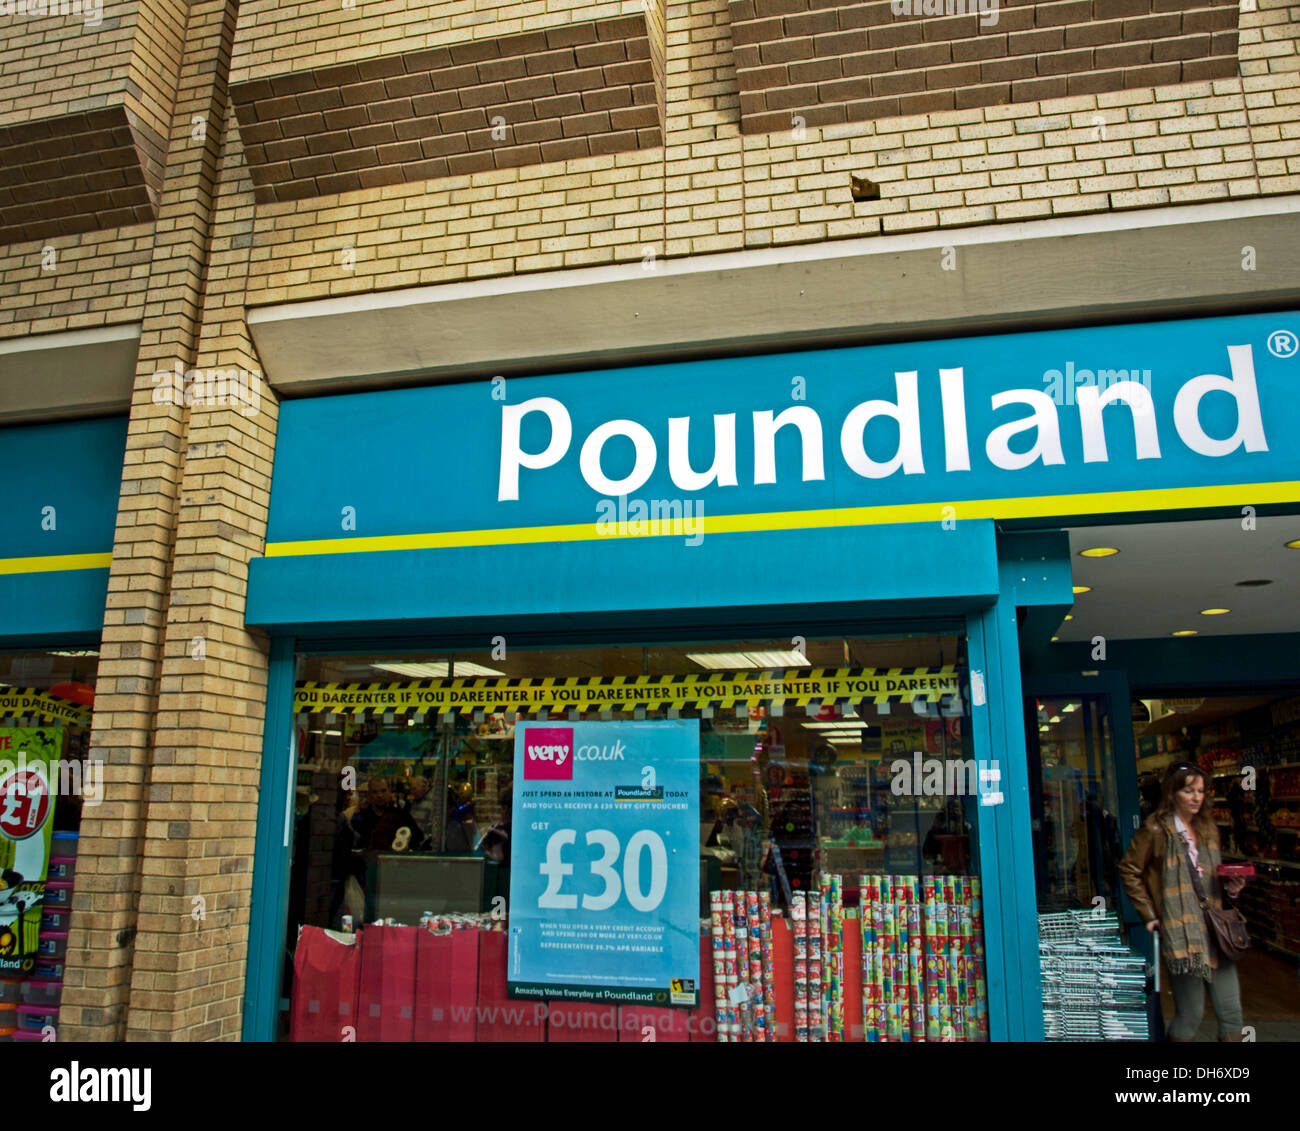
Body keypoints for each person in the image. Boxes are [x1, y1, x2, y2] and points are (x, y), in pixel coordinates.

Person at [1119, 761, 1248, 1042]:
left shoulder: (1209, 829)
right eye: (1189, 791)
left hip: (1216, 931)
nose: (1196, 798)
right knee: (1190, 1014)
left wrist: (1234, 889)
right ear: (1173, 792)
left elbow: (1214, 883)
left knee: (1231, 1014)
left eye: (1200, 791)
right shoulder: (1156, 829)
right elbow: (1129, 869)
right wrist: (1150, 915)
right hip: (1181, 934)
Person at [350, 776, 416, 851]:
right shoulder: (361, 818)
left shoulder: (402, 816)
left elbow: (416, 839)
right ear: (369, 794)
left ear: (390, 792)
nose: (380, 796)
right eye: (375, 792)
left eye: (383, 791)